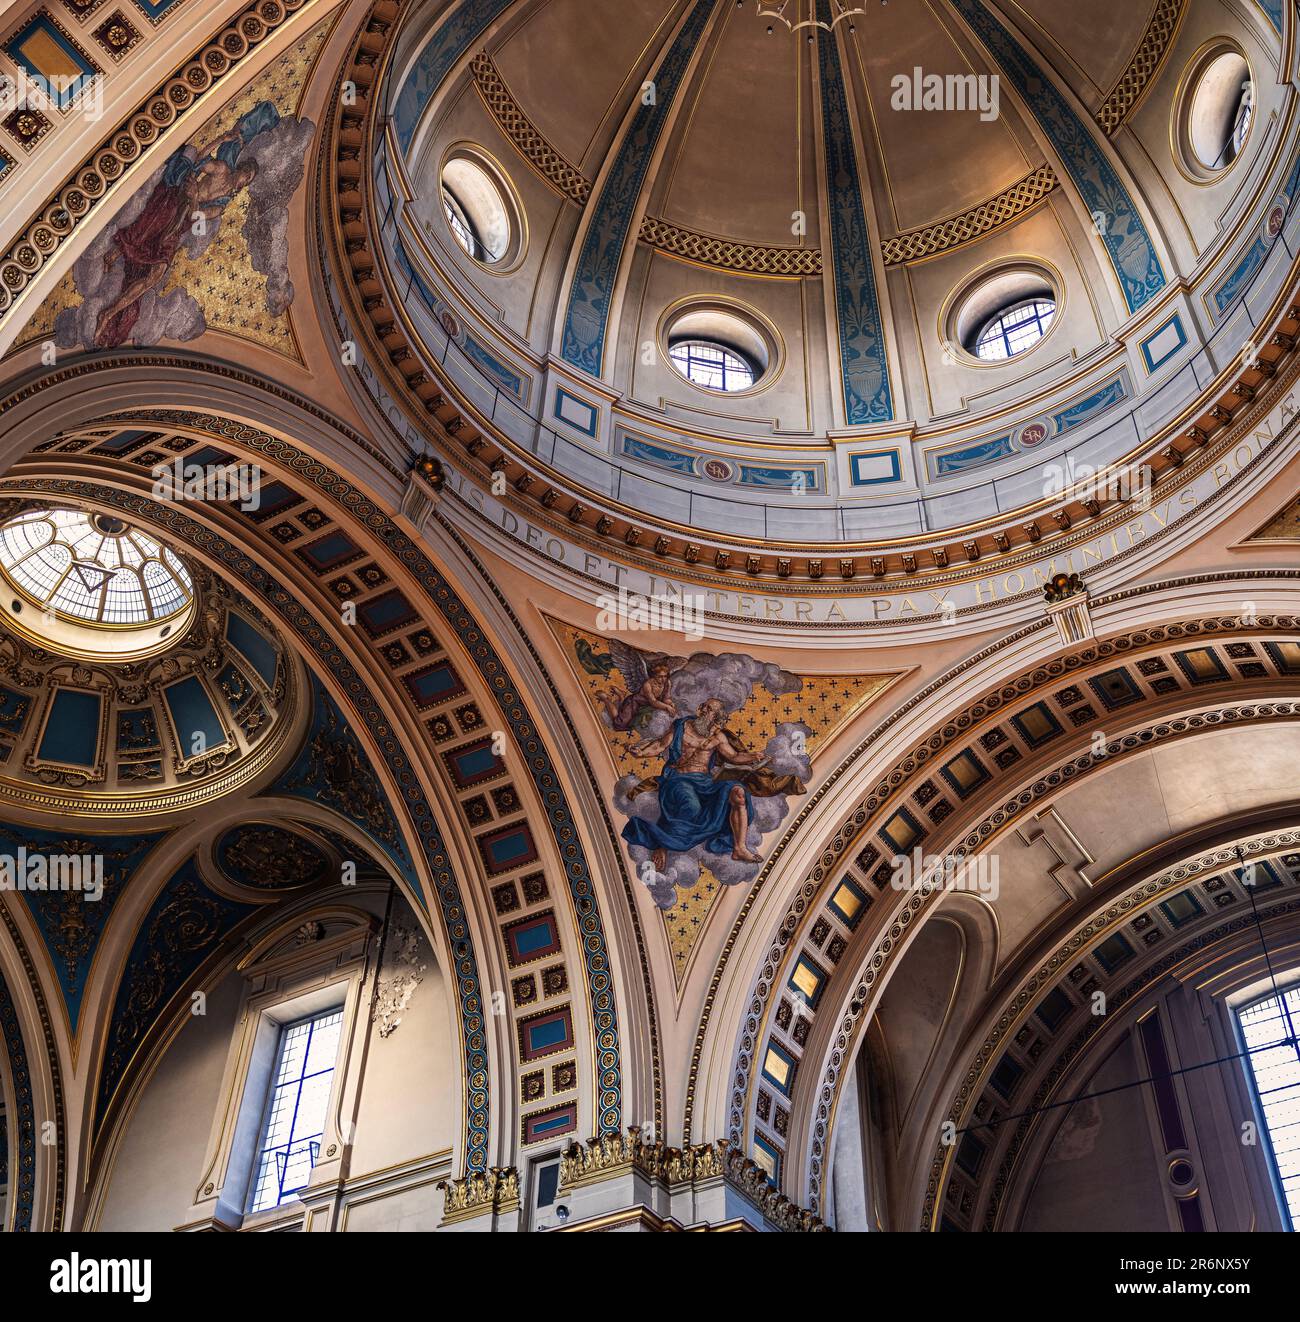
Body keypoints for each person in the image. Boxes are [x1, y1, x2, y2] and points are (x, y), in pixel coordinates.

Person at [622, 697, 766, 868]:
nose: (704, 709)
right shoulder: (681, 726)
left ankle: (739, 847)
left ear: (717, 717)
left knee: (738, 793)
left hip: (705, 783)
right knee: (691, 806)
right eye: (704, 706)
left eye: (709, 708)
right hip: (678, 780)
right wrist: (641, 752)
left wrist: (752, 757)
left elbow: (733, 756)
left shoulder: (718, 737)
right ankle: (664, 844)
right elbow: (660, 745)